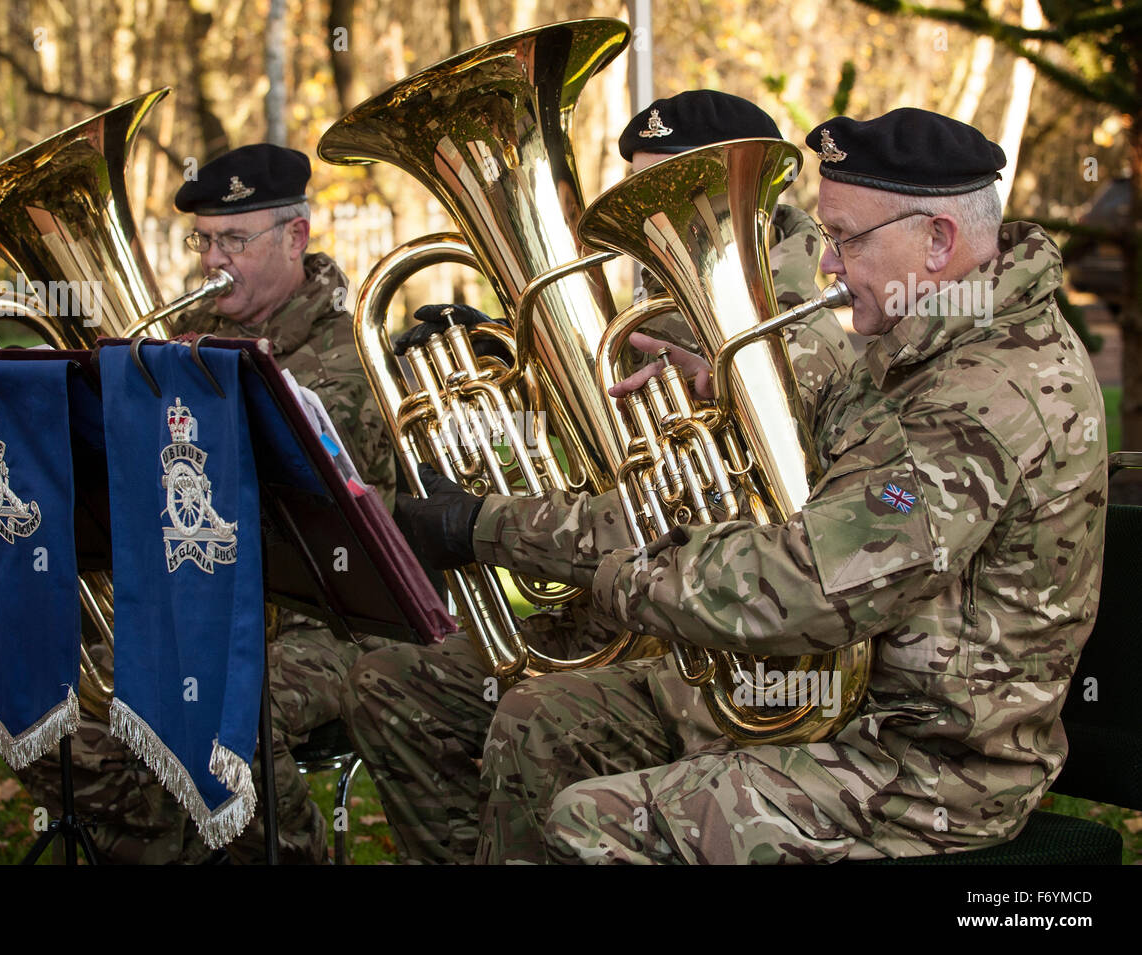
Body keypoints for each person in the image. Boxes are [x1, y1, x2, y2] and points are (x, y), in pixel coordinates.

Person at [402, 107, 1107, 864]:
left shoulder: (989, 393)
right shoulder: (930, 338)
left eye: (846, 238)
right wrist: (726, 389)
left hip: (924, 770)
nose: (829, 264)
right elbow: (854, 431)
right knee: (544, 720)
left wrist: (619, 579)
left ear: (937, 240)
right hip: (827, 706)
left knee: (591, 820)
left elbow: (809, 584)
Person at [341, 91, 853, 863]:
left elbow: (657, 517)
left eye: (660, 196)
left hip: (716, 651)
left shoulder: (786, 342)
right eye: (628, 196)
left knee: (536, 716)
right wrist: (488, 380)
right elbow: (586, 471)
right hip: (618, 616)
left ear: (734, 196)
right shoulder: (648, 315)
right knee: (389, 684)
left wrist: (477, 524)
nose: (632, 222)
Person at [18, 144, 396, 864]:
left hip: (331, 625)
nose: (210, 261)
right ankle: (169, 843)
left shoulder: (350, 353)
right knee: (40, 692)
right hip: (204, 610)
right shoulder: (195, 351)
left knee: (221, 708)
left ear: (295, 237)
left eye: (233, 240)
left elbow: (294, 499)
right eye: (204, 240)